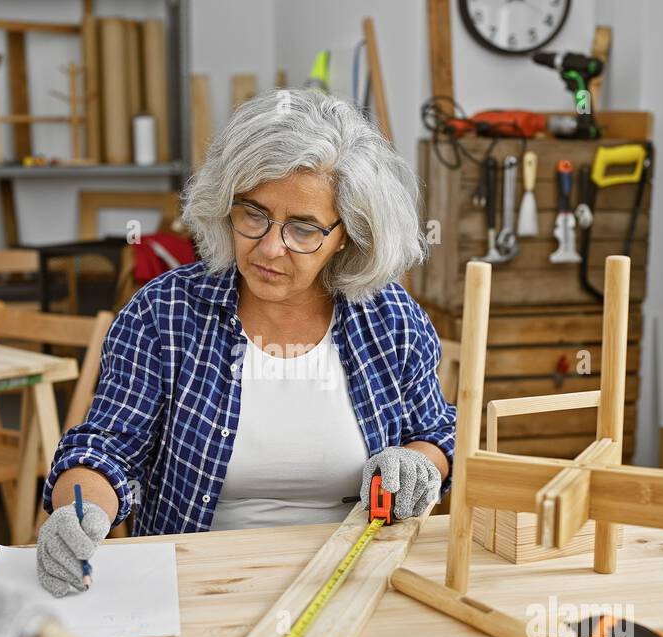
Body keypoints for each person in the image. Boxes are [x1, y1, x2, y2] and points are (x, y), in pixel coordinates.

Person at [36, 89, 455, 596]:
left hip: (352, 585)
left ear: (348, 233)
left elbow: (436, 431)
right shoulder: (163, 312)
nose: (270, 248)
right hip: (195, 585)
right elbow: (108, 449)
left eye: (303, 229)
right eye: (253, 214)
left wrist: (418, 462)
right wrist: (79, 512)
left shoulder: (388, 320)